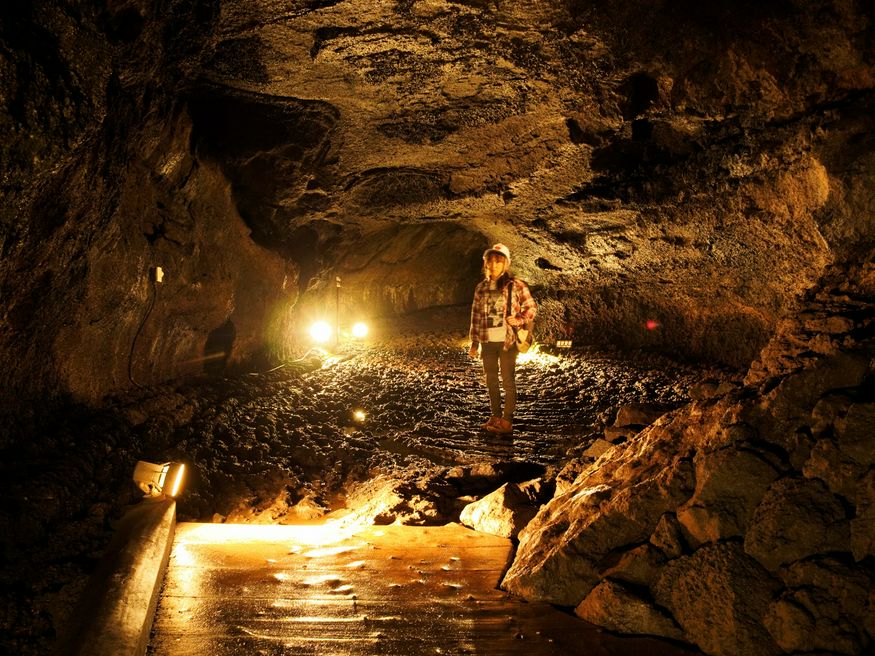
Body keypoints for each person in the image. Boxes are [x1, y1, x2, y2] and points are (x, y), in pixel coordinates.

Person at [468, 243, 537, 434]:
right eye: (490, 262)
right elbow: (476, 315)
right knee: (491, 380)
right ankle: (495, 416)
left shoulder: (516, 285)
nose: (494, 266)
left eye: (498, 262)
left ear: (506, 264)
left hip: (507, 341)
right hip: (487, 341)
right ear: (486, 264)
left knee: (507, 381)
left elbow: (531, 307)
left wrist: (519, 319)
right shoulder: (481, 288)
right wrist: (474, 343)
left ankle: (507, 421)